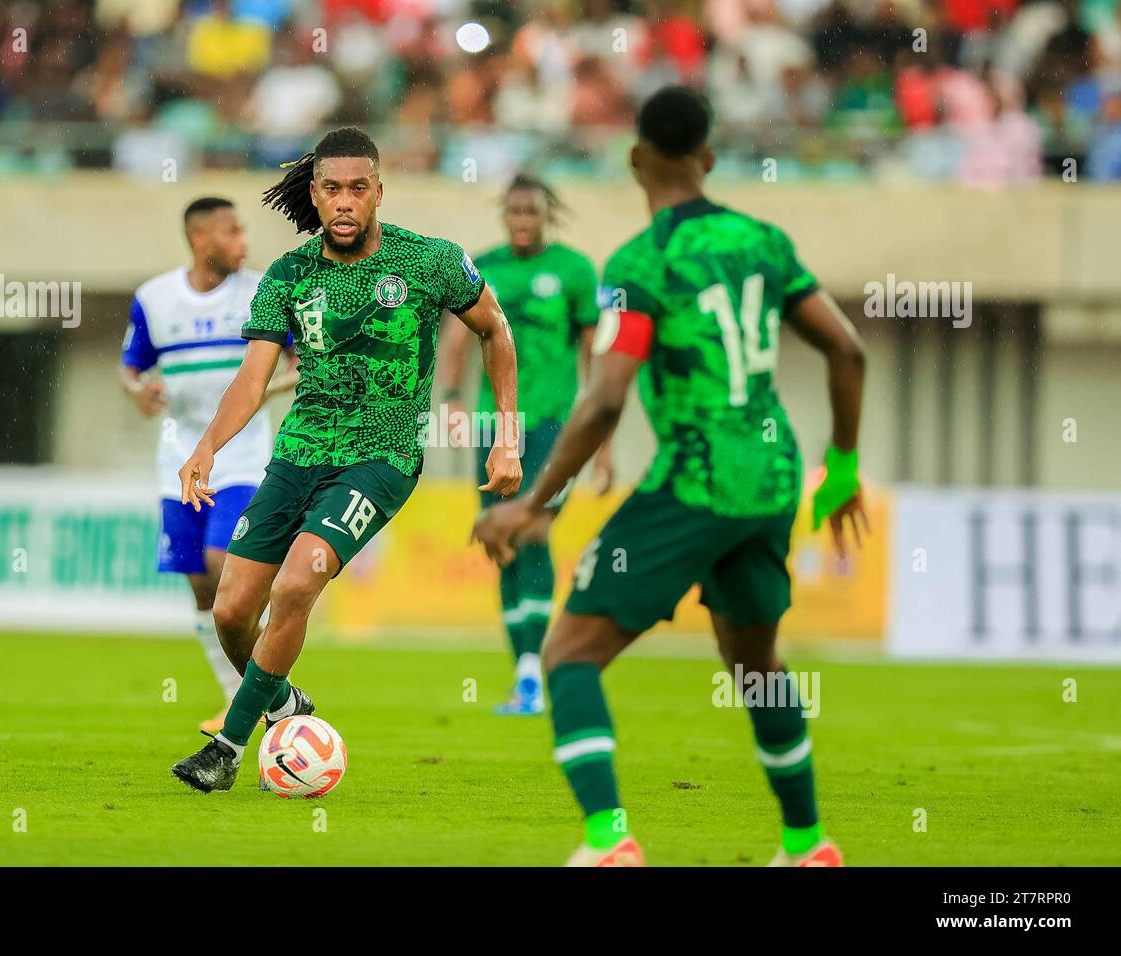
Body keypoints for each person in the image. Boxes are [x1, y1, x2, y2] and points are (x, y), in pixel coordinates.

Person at [473, 86, 869, 866]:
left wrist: (535, 504)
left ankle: (609, 841)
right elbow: (848, 350)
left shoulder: (639, 264)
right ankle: (807, 842)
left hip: (697, 480)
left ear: (635, 159)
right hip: (774, 478)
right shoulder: (763, 240)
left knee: (569, 656)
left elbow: (607, 396)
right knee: (756, 665)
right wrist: (845, 465)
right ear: (710, 157)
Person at [170, 127, 523, 793]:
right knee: (229, 611)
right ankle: (282, 705)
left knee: (298, 584)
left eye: (358, 188)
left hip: (379, 459)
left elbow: (494, 330)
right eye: (332, 188)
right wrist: (205, 447)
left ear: (378, 193)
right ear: (315, 192)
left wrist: (508, 435)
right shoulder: (289, 276)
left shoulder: (432, 262)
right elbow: (252, 381)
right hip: (298, 454)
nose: (344, 201)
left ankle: (227, 749)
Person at [121, 197, 296, 734]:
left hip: (240, 454)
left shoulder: (262, 291)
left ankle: (267, 693)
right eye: (232, 232)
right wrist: (139, 391)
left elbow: (297, 364)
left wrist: (253, 394)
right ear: (201, 240)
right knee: (199, 582)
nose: (244, 242)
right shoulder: (154, 299)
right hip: (178, 456)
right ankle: (241, 696)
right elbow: (130, 367)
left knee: (226, 565)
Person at [438, 173, 611, 716]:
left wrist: (601, 435)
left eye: (531, 211)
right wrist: (450, 403)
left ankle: (535, 671)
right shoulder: (482, 266)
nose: (522, 220)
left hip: (555, 425)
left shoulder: (575, 271)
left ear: (547, 214)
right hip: (497, 425)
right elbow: (456, 342)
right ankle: (527, 677)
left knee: (531, 528)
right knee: (500, 541)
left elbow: (595, 355)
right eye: (513, 211)